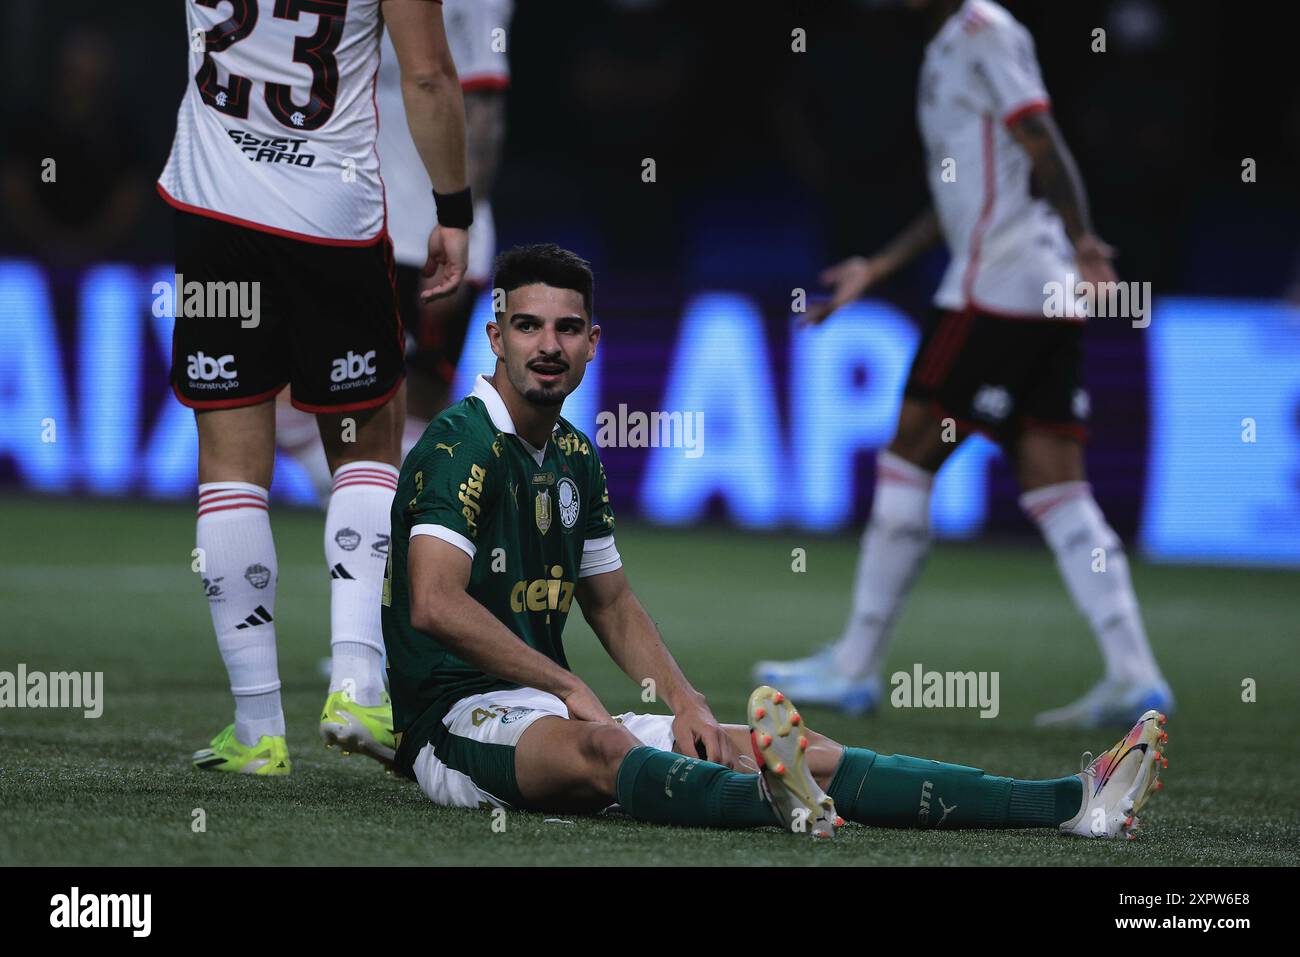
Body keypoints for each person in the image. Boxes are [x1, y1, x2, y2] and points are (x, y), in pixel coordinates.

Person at [381, 243, 1169, 839]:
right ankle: (773, 804)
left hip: (540, 702)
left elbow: (613, 604)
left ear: (592, 342)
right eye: (526, 326)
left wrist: (686, 701)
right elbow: (434, 602)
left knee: (778, 742)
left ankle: (1070, 801)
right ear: (495, 337)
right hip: (454, 721)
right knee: (602, 753)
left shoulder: (575, 456)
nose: (546, 345)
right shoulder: (461, 445)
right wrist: (566, 683)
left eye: (564, 329)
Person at [755, 0, 1173, 728]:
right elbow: (967, 195)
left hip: (997, 289)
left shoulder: (985, 31)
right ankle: (1135, 674)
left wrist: (1085, 241)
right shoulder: (951, 41)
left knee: (908, 455)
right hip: (1031, 289)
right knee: (1059, 485)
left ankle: (854, 665)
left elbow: (1041, 135)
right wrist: (878, 267)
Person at [161, 0, 470, 775]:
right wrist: (455, 210)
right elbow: (428, 75)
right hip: (332, 220)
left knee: (231, 466)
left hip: (213, 213)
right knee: (368, 446)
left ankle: (257, 724)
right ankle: (360, 684)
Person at [278, 0, 516, 503]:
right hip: (350, 217)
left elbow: (484, 115)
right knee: (329, 407)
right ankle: (378, 533)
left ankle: (401, 554)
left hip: (422, 233)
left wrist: (460, 228)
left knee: (413, 415)